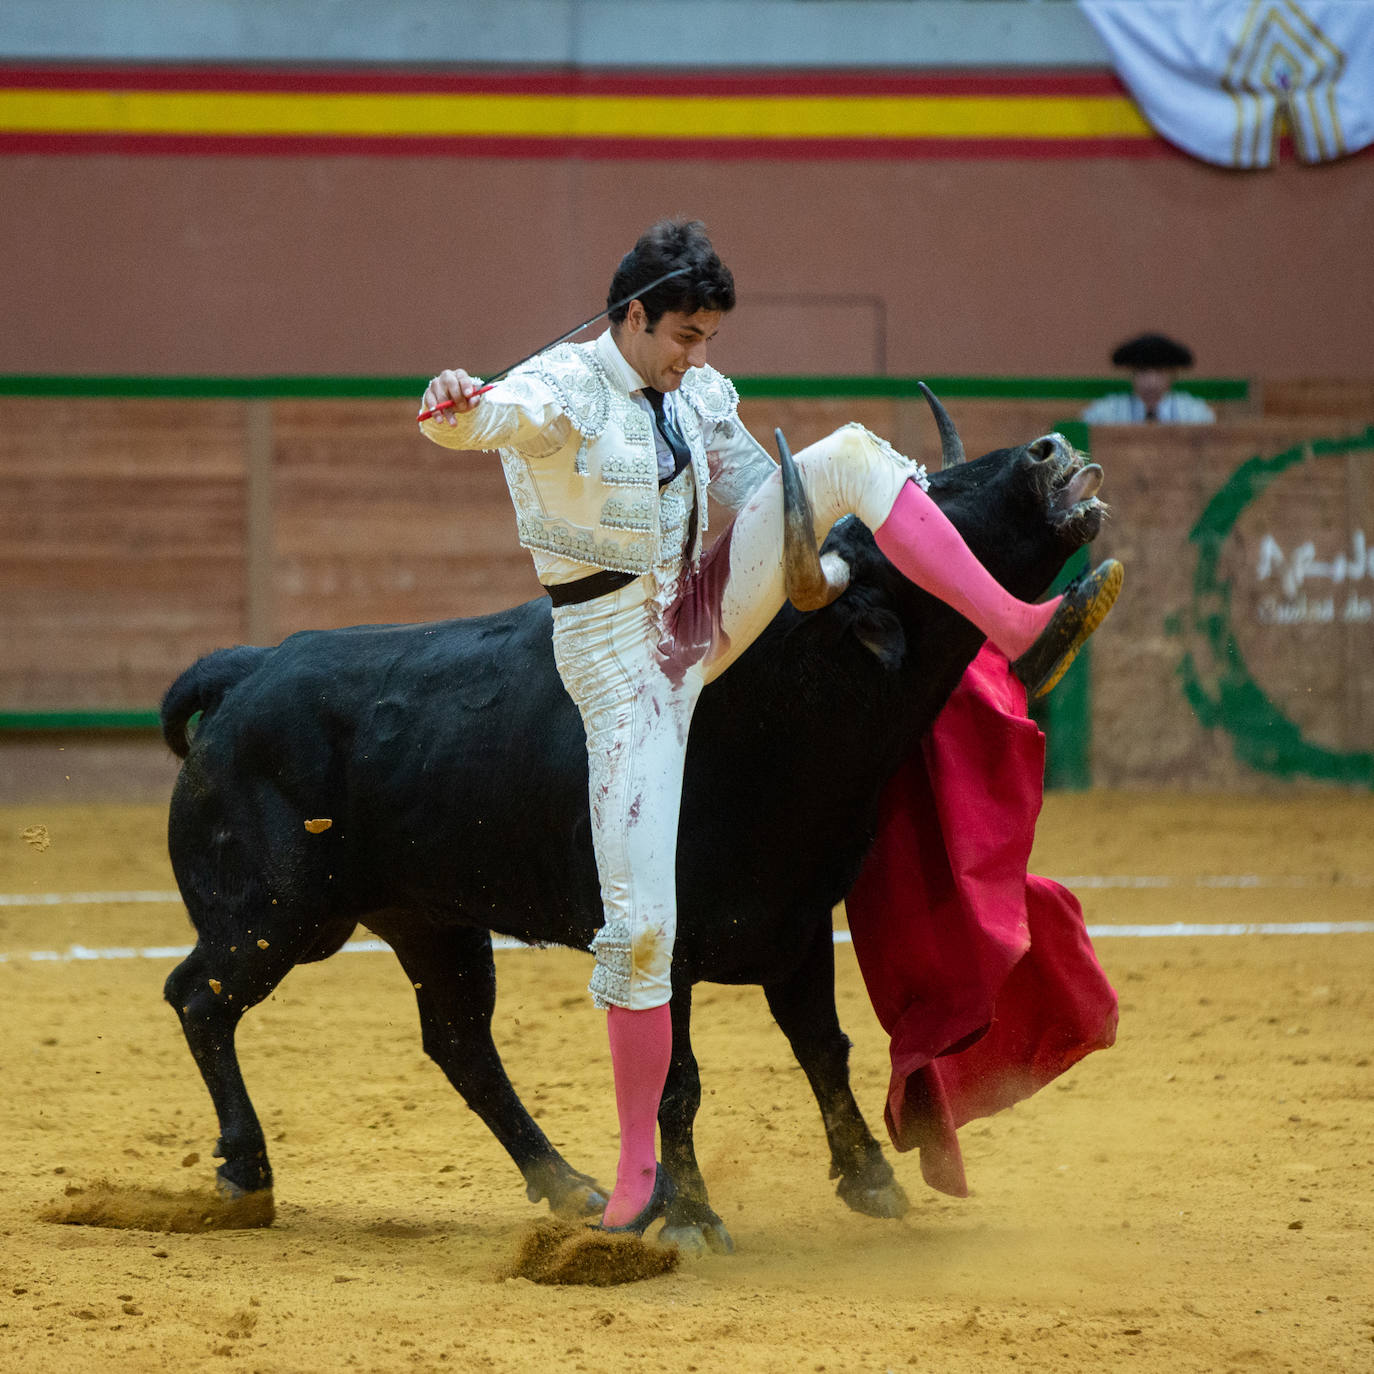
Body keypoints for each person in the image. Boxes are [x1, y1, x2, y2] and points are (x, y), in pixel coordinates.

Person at [418, 219, 1121, 1235]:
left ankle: (1013, 625)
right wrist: (449, 401)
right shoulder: (558, 392)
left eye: (706, 338)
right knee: (642, 932)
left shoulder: (696, 393)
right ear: (632, 314)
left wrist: (836, 559)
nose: (697, 358)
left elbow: (761, 489)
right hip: (619, 669)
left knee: (844, 456)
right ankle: (635, 1171)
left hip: (694, 615)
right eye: (683, 337)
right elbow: (480, 423)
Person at [1080, 332, 1216, 424]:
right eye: (1143, 371)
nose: (1151, 382)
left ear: (1173, 375)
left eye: (1160, 372)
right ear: (1132, 374)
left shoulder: (1195, 415)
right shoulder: (1104, 414)